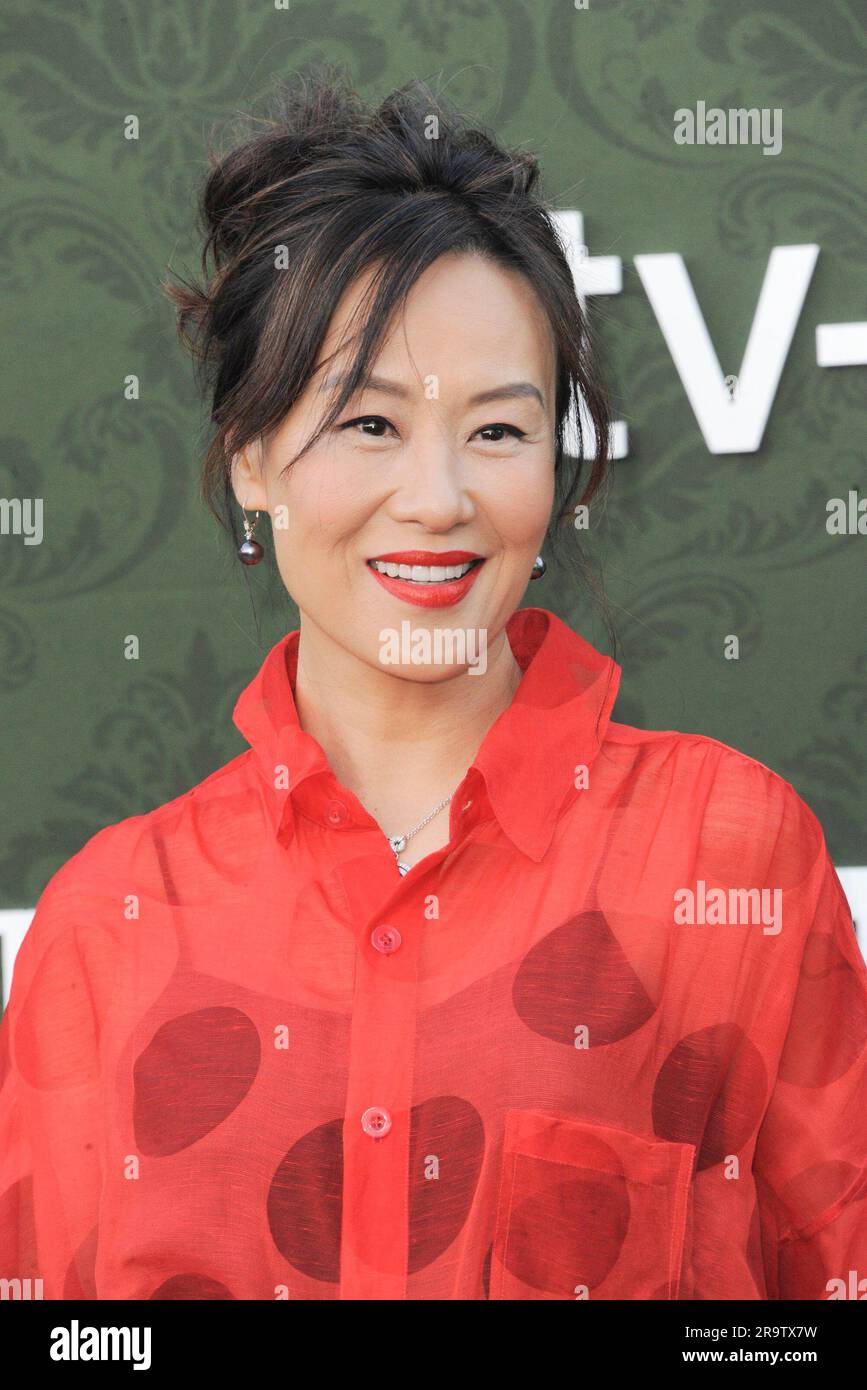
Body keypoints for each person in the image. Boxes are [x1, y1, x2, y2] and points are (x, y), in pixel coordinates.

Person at [1, 65, 865, 1302]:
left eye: (500, 430)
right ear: (251, 457)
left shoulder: (730, 862)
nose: (439, 497)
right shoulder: (104, 933)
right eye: (368, 423)